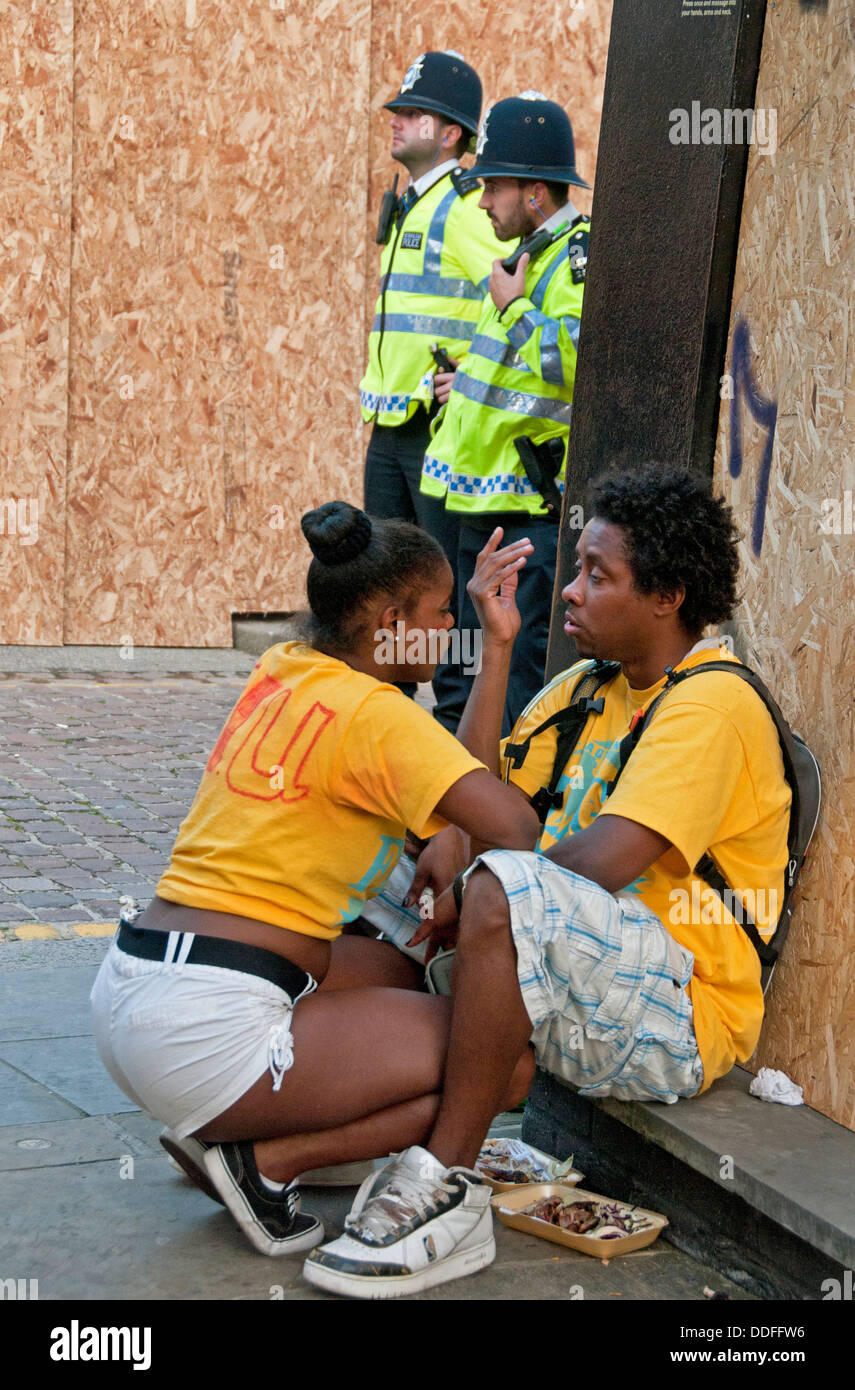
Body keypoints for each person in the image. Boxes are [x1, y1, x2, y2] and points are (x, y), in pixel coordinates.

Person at [303, 465, 791, 1298]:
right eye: (575, 570)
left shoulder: (712, 706)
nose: (567, 592)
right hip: (564, 977)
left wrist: (474, 881)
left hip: (674, 1013)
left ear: (668, 596)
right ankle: (301, 1097)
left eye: (597, 576)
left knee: (496, 882)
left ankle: (445, 1187)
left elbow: (599, 864)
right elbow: (473, 797)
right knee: (386, 866)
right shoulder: (582, 688)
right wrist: (495, 649)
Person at [90, 502, 538, 1272]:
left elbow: (445, 808)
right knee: (499, 1062)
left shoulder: (284, 670)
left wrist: (493, 653)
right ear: (390, 620)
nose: (449, 633)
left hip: (134, 993)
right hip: (206, 1034)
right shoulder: (377, 717)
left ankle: (234, 1128)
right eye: (440, 615)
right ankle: (268, 1160)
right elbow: (512, 826)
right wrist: (452, 828)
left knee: (402, 970)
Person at [421, 93, 591, 732]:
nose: (485, 201)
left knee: (510, 680)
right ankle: (459, 819)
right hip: (479, 508)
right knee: (468, 672)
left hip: (522, 515)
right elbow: (513, 372)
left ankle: (502, 821)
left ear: (537, 192)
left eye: (494, 186)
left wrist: (517, 310)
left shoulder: (574, 257)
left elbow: (573, 365)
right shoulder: (525, 258)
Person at [360, 50, 507, 728]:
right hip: (391, 429)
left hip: (433, 432)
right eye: (396, 110)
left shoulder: (460, 209)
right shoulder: (411, 206)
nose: (396, 121)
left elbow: (513, 296)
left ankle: (453, 731)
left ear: (451, 133)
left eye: (412, 113)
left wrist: (472, 372)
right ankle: (388, 718)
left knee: (440, 583)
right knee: (385, 581)